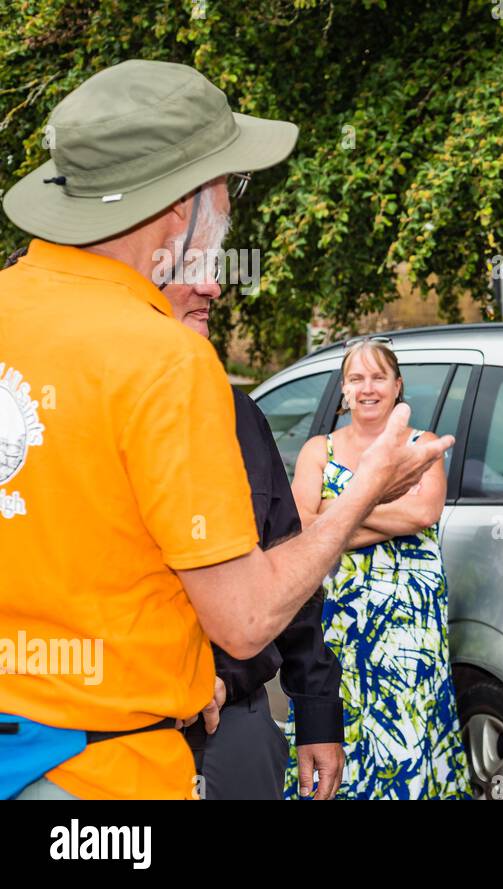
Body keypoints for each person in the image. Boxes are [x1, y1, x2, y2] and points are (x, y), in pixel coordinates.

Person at [0, 60, 447, 800]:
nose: (227, 216)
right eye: (227, 189)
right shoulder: (163, 357)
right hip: (103, 782)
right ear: (182, 207)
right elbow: (243, 619)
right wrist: (363, 491)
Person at [159, 275, 345, 801]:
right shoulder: (68, 414)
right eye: (181, 270)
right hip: (111, 731)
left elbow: (286, 561)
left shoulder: (237, 414)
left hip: (235, 724)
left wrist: (315, 712)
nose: (212, 287)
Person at [287, 339, 470, 799]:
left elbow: (422, 513)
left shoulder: (420, 445)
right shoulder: (318, 450)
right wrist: (381, 508)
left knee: (402, 728)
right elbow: (301, 525)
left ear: (397, 385)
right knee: (336, 729)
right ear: (345, 390)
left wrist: (339, 509)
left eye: (377, 377)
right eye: (356, 378)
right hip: (337, 619)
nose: (367, 388)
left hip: (407, 619)